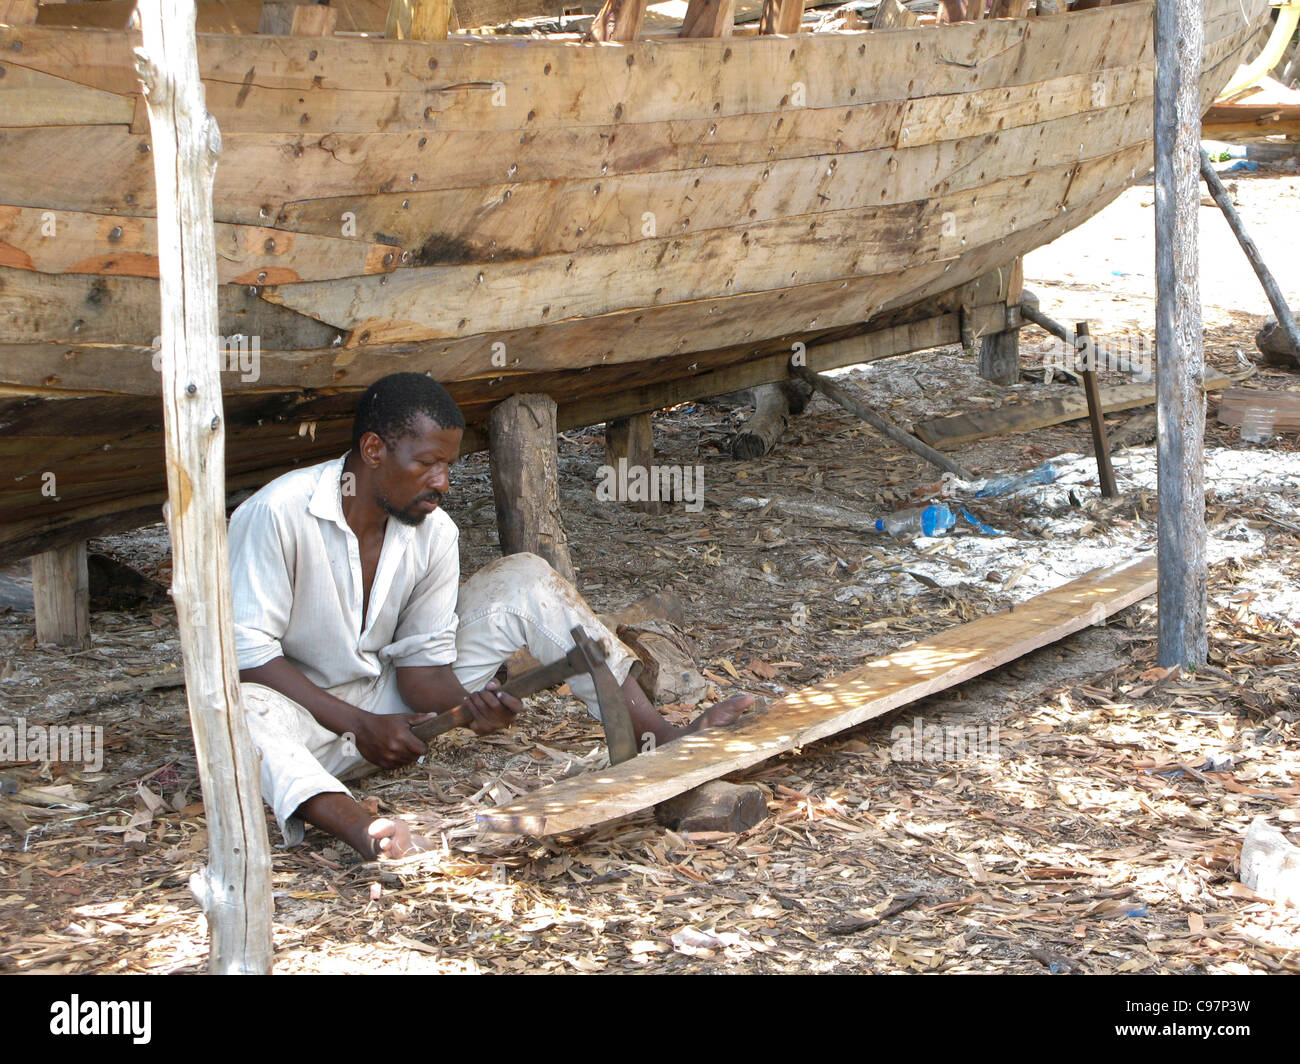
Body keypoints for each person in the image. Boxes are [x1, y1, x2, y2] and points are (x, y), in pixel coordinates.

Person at [229, 373, 751, 860]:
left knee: (523, 577)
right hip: (302, 722)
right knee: (242, 709)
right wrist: (358, 724)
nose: (442, 482)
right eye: (427, 464)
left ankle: (653, 736)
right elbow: (247, 656)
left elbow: (422, 668)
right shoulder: (277, 514)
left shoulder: (433, 533)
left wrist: (467, 710)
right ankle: (359, 829)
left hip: (389, 715)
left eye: (449, 465)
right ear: (373, 450)